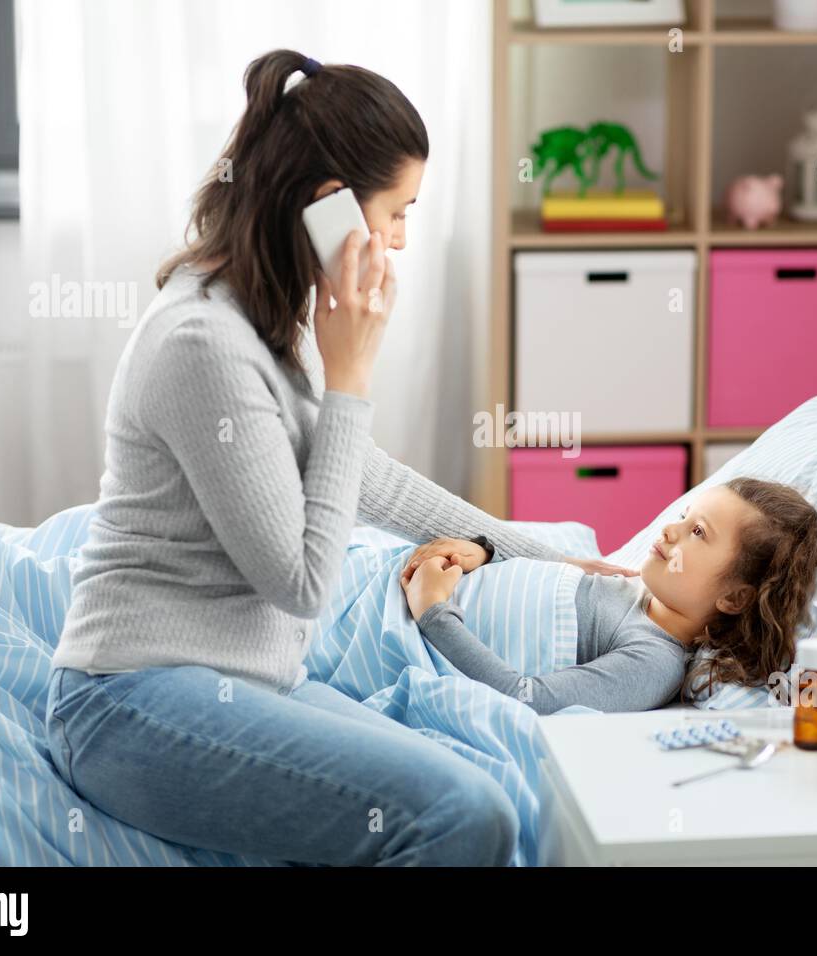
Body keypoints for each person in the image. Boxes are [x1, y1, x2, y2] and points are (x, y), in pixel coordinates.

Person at [44, 49, 627, 867]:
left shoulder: (267, 318)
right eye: (394, 213)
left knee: (488, 784)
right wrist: (352, 372)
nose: (398, 240)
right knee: (463, 816)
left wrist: (547, 553)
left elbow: (366, 479)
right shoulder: (202, 342)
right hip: (130, 700)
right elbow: (302, 581)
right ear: (328, 208)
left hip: (240, 682)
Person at [403, 478, 817, 714]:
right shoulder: (627, 584)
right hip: (412, 575)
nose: (669, 529)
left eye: (698, 532)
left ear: (735, 598)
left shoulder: (653, 661)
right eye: (685, 517)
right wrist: (484, 551)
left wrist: (433, 612)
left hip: (402, 623)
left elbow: (526, 698)